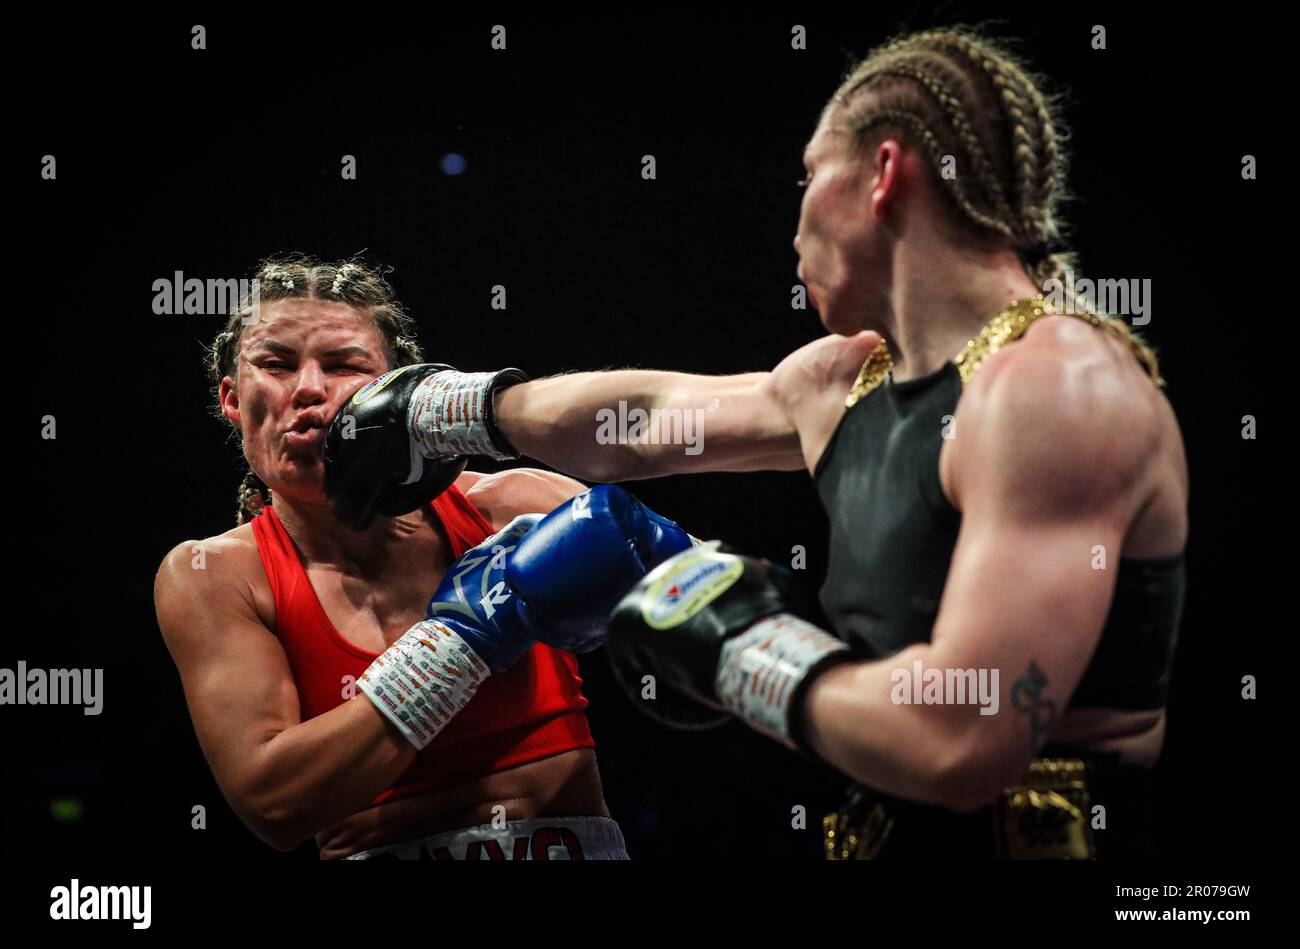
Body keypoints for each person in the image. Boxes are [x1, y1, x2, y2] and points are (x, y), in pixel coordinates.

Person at [327, 27, 1188, 858]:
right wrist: (445, 407)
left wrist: (740, 647)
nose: (793, 226)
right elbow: (644, 419)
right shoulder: (848, 380)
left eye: (811, 175)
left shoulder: (1051, 389)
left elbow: (962, 741)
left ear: (885, 172)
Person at [153, 255, 692, 860]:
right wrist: (466, 637)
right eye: (276, 365)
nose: (308, 388)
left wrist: (484, 413)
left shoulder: (511, 508)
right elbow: (275, 804)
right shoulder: (216, 575)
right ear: (231, 397)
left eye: (343, 365)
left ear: (398, 389)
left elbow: (722, 626)